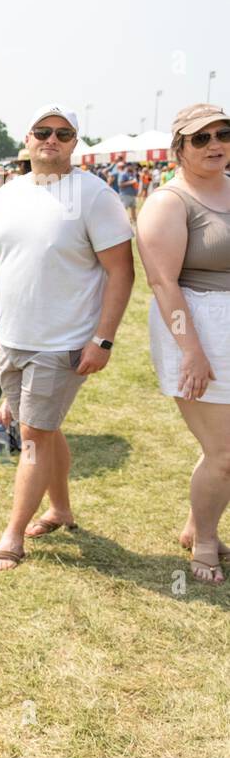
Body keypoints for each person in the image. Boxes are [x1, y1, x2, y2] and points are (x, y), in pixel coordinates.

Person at [0, 105, 134, 572]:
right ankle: (61, 509)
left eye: (63, 134)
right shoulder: (8, 193)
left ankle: (11, 537)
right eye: (42, 131)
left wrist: (102, 340)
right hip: (12, 339)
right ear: (27, 138)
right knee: (42, 427)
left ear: (74, 142)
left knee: (32, 435)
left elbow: (121, 272)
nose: (52, 139)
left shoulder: (95, 195)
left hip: (62, 341)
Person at [136, 103, 230, 584]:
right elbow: (163, 282)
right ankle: (207, 543)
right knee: (225, 452)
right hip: (198, 331)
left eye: (223, 134)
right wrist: (191, 349)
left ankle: (197, 523)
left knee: (223, 447)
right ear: (179, 148)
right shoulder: (169, 202)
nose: (215, 144)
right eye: (201, 138)